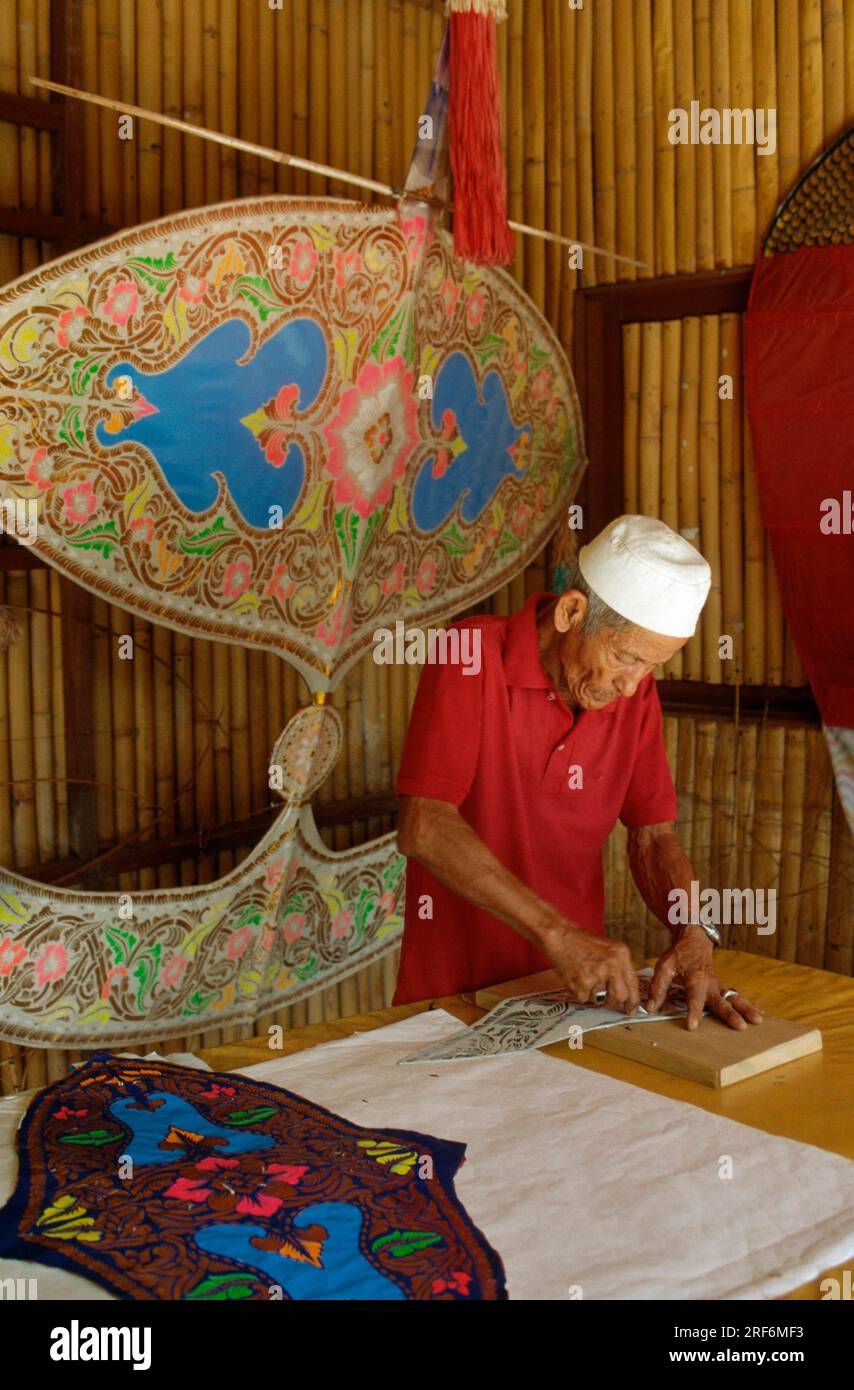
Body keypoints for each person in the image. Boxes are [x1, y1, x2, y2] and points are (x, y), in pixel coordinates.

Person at [393, 514, 763, 1032]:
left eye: (649, 667)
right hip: (457, 992)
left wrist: (693, 931)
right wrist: (559, 935)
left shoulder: (634, 698)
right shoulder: (470, 656)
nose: (632, 686)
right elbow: (423, 825)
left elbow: (654, 838)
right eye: (625, 657)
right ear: (572, 611)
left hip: (573, 998)